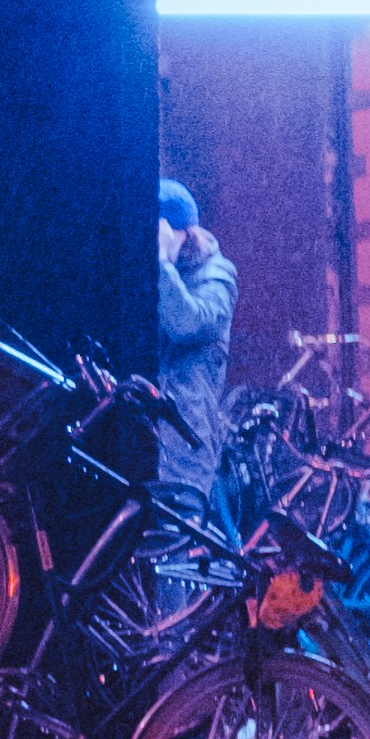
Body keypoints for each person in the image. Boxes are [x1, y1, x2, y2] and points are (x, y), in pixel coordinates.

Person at [154, 174, 236, 506]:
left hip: (187, 432)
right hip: (154, 424)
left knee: (180, 532)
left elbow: (186, 324)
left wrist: (161, 263)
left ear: (185, 234)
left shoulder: (218, 275)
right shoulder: (165, 272)